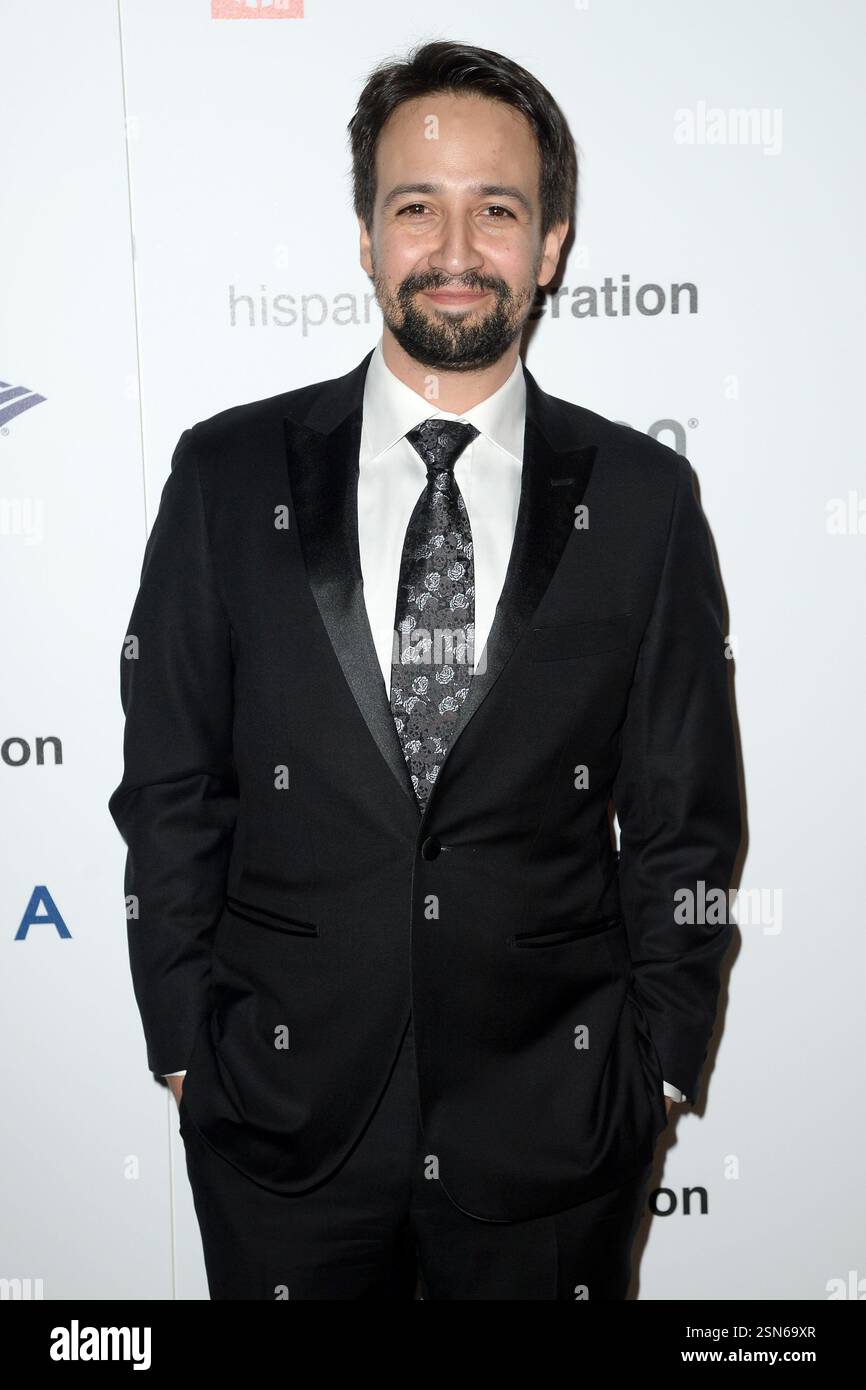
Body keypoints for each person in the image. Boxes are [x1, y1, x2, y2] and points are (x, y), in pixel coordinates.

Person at [108, 39, 740, 1300]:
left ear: (550, 242)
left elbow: (684, 818)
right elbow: (171, 780)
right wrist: (189, 1042)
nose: (455, 250)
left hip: (554, 1130)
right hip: (278, 1120)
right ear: (363, 235)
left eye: (494, 210)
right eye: (416, 207)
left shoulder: (642, 499)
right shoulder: (228, 477)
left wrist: (657, 1065)